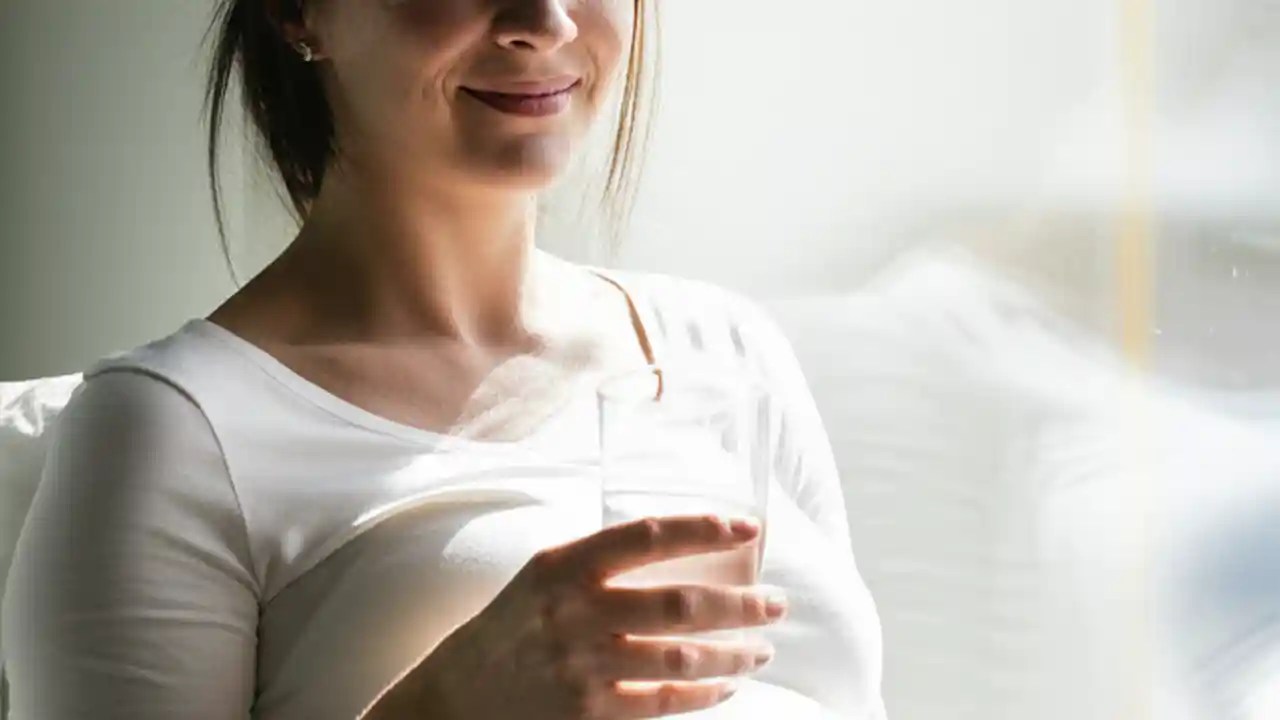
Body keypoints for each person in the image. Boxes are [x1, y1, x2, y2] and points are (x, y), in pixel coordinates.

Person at [0, 1, 886, 718]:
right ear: (296, 11)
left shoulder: (727, 350)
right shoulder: (175, 433)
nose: (545, 21)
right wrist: (445, 706)